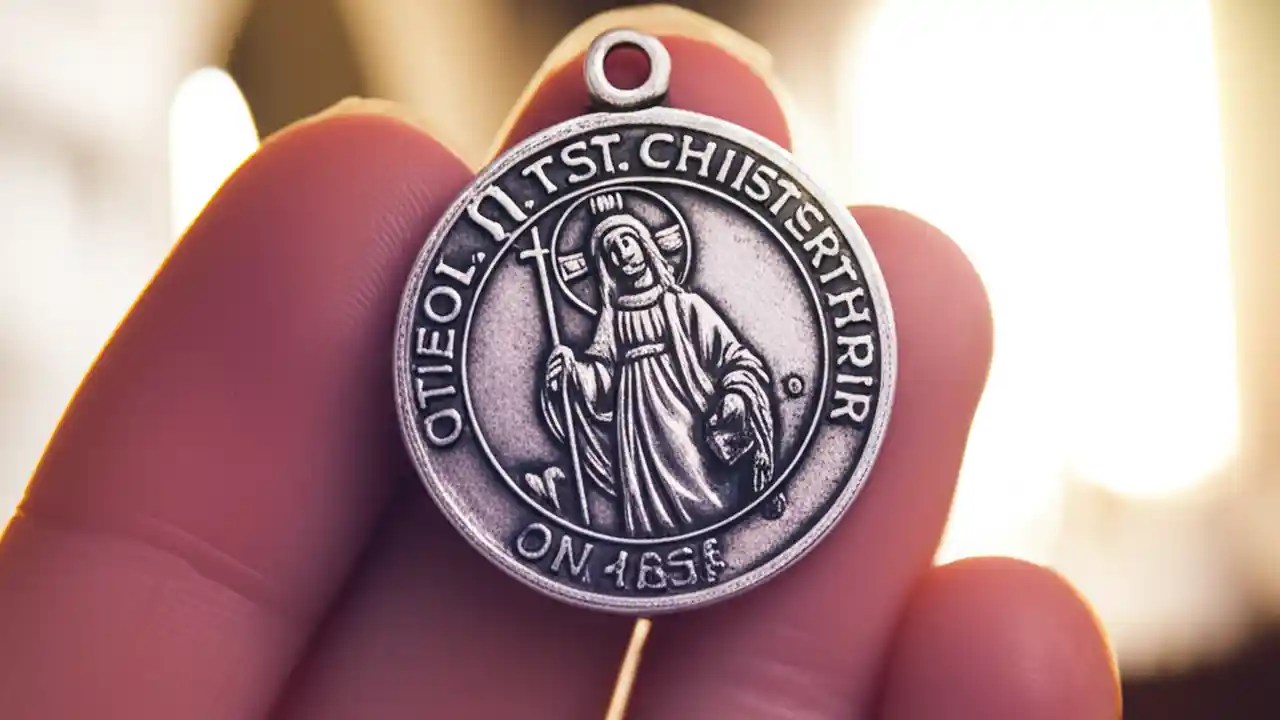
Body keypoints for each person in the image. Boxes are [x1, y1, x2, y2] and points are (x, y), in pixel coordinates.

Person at [0, 7, 1118, 718]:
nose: (627, 254)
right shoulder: (589, 324)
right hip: (623, 464)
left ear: (661, 250)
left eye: (639, 242)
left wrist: (732, 405)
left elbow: (737, 371)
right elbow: (565, 390)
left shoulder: (693, 310)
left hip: (703, 470)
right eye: (614, 246)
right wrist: (573, 384)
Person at [542, 197, 774, 537]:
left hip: (687, 413)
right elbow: (604, 378)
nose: (623, 254)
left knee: (706, 493)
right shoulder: (612, 320)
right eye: (612, 252)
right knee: (651, 515)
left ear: (645, 245)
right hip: (638, 428)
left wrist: (737, 394)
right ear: (606, 267)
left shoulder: (686, 306)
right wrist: (574, 372)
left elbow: (736, 358)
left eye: (627, 242)